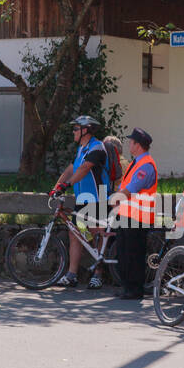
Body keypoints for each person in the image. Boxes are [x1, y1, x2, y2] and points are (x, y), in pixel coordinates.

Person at [52, 115, 111, 288]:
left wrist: (67, 185)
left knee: (97, 232)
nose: (73, 131)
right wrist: (56, 187)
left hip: (97, 197)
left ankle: (98, 275)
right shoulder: (81, 149)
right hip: (83, 198)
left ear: (86, 130)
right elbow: (71, 168)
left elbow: (85, 168)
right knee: (75, 233)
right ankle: (72, 275)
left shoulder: (97, 147)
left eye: (76, 128)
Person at [108, 127, 158, 301]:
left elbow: (132, 188)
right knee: (124, 252)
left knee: (134, 254)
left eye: (131, 142)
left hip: (137, 217)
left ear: (138, 145)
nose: (129, 144)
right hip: (128, 214)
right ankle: (127, 287)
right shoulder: (137, 162)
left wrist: (114, 198)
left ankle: (135, 289)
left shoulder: (146, 165)